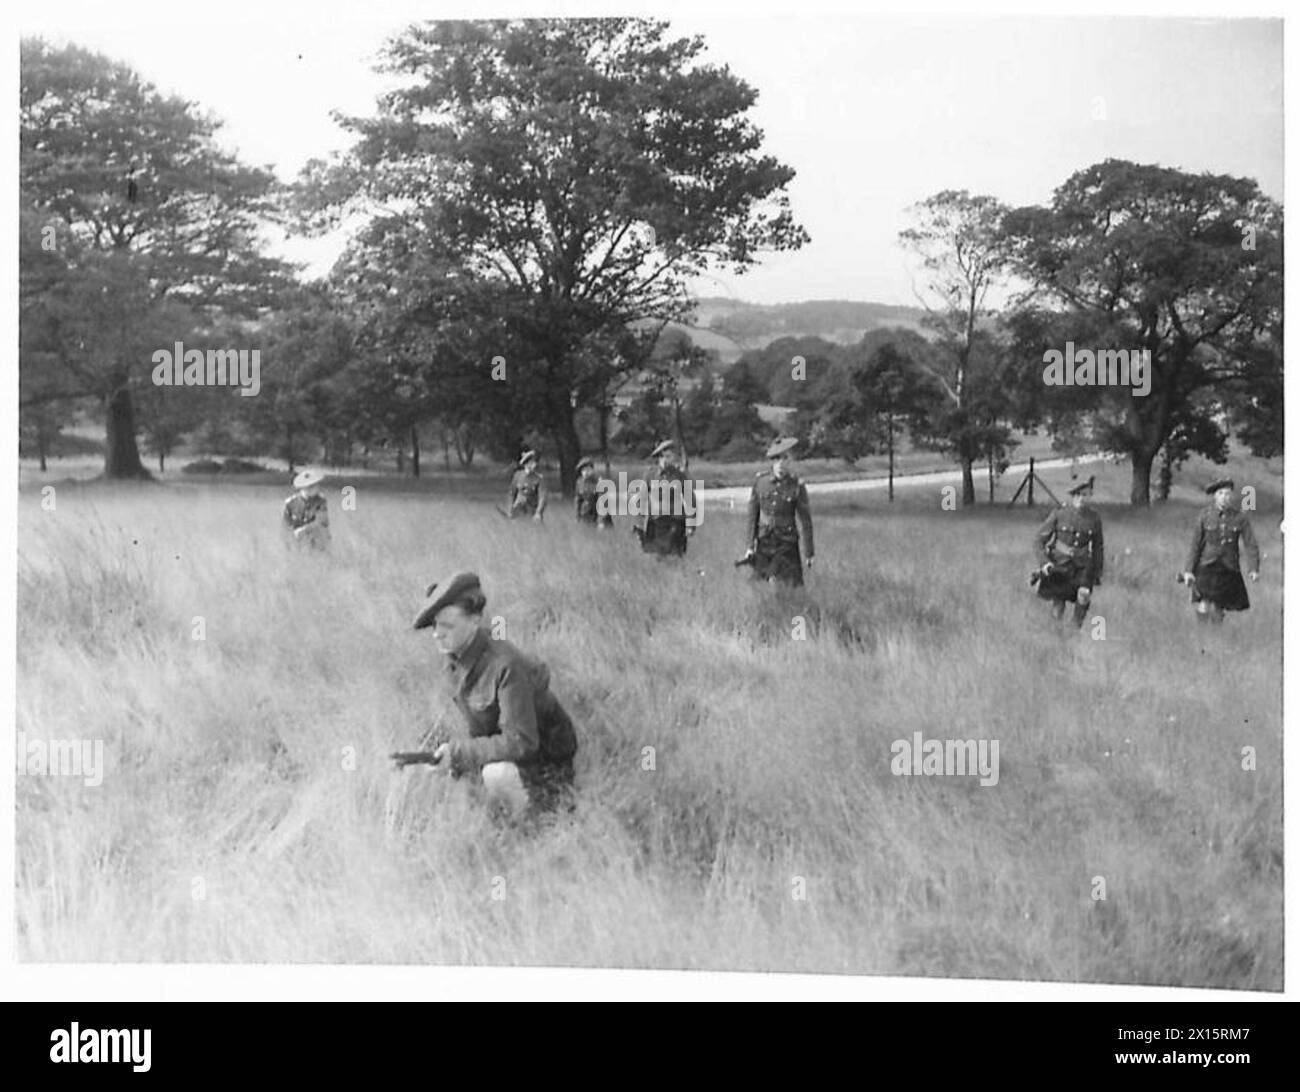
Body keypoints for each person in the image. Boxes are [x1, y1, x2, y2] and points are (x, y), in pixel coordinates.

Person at [404, 571, 578, 816]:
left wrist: (459, 754)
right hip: (511, 752)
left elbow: (522, 742)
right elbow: (482, 728)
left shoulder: (506, 666)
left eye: (447, 625)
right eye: (434, 625)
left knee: (495, 774)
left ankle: (532, 824)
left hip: (545, 764)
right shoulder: (456, 660)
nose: (437, 634)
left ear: (476, 620)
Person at [1182, 478, 1260, 625]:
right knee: (1204, 603)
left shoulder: (1240, 518)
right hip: (1206, 565)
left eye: (1228, 494)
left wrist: (1254, 568)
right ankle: (1201, 636)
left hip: (1228, 566)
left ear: (1232, 497)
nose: (1225, 497)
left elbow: (1251, 544)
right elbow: (1195, 545)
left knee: (1219, 605)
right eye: (1221, 493)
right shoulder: (1205, 515)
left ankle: (1216, 637)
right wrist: (1188, 571)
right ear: (1215, 496)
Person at [1031, 476, 1103, 627]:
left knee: (1084, 595)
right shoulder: (1060, 513)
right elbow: (1039, 540)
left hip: (1083, 566)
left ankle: (1075, 629)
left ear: (1089, 496)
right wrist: (1045, 563)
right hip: (1059, 564)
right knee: (1058, 605)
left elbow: (1098, 547)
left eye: (1085, 495)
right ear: (1073, 496)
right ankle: (1055, 635)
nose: (1081, 499)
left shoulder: (1094, 518)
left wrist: (1097, 572)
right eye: (1078, 495)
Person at [742, 437, 814, 586]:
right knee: (758, 585)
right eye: (778, 459)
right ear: (772, 462)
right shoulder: (761, 482)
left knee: (793, 587)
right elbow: (752, 516)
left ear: (790, 462)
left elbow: (805, 520)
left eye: (785, 459)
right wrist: (750, 545)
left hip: (787, 542)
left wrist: (809, 552)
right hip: (765, 541)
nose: (781, 464)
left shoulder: (796, 485)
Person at [633, 439, 692, 557]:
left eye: (673, 456)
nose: (673, 460)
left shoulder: (679, 475)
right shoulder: (650, 474)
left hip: (677, 521)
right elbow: (641, 500)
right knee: (658, 556)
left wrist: (691, 525)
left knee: (676, 556)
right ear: (661, 457)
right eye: (669, 456)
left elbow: (690, 499)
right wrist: (638, 523)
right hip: (657, 522)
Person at [282, 468, 330, 550]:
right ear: (302, 488)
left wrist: (304, 530)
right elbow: (285, 524)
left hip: (316, 538)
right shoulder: (290, 503)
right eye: (310, 486)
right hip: (296, 540)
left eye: (316, 485)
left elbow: (320, 521)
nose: (316, 488)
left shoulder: (321, 501)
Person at [574, 456, 613, 528]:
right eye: (583, 470)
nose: (585, 472)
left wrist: (601, 521)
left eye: (588, 470)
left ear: (592, 470)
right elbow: (578, 501)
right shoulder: (580, 482)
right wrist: (577, 516)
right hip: (587, 515)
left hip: (599, 515)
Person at [508, 450, 547, 520]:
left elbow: (542, 497)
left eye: (535, 462)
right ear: (526, 463)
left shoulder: (539, 479)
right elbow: (512, 494)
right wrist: (510, 509)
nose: (534, 465)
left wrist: (538, 512)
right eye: (531, 462)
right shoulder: (517, 475)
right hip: (517, 511)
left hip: (531, 511)